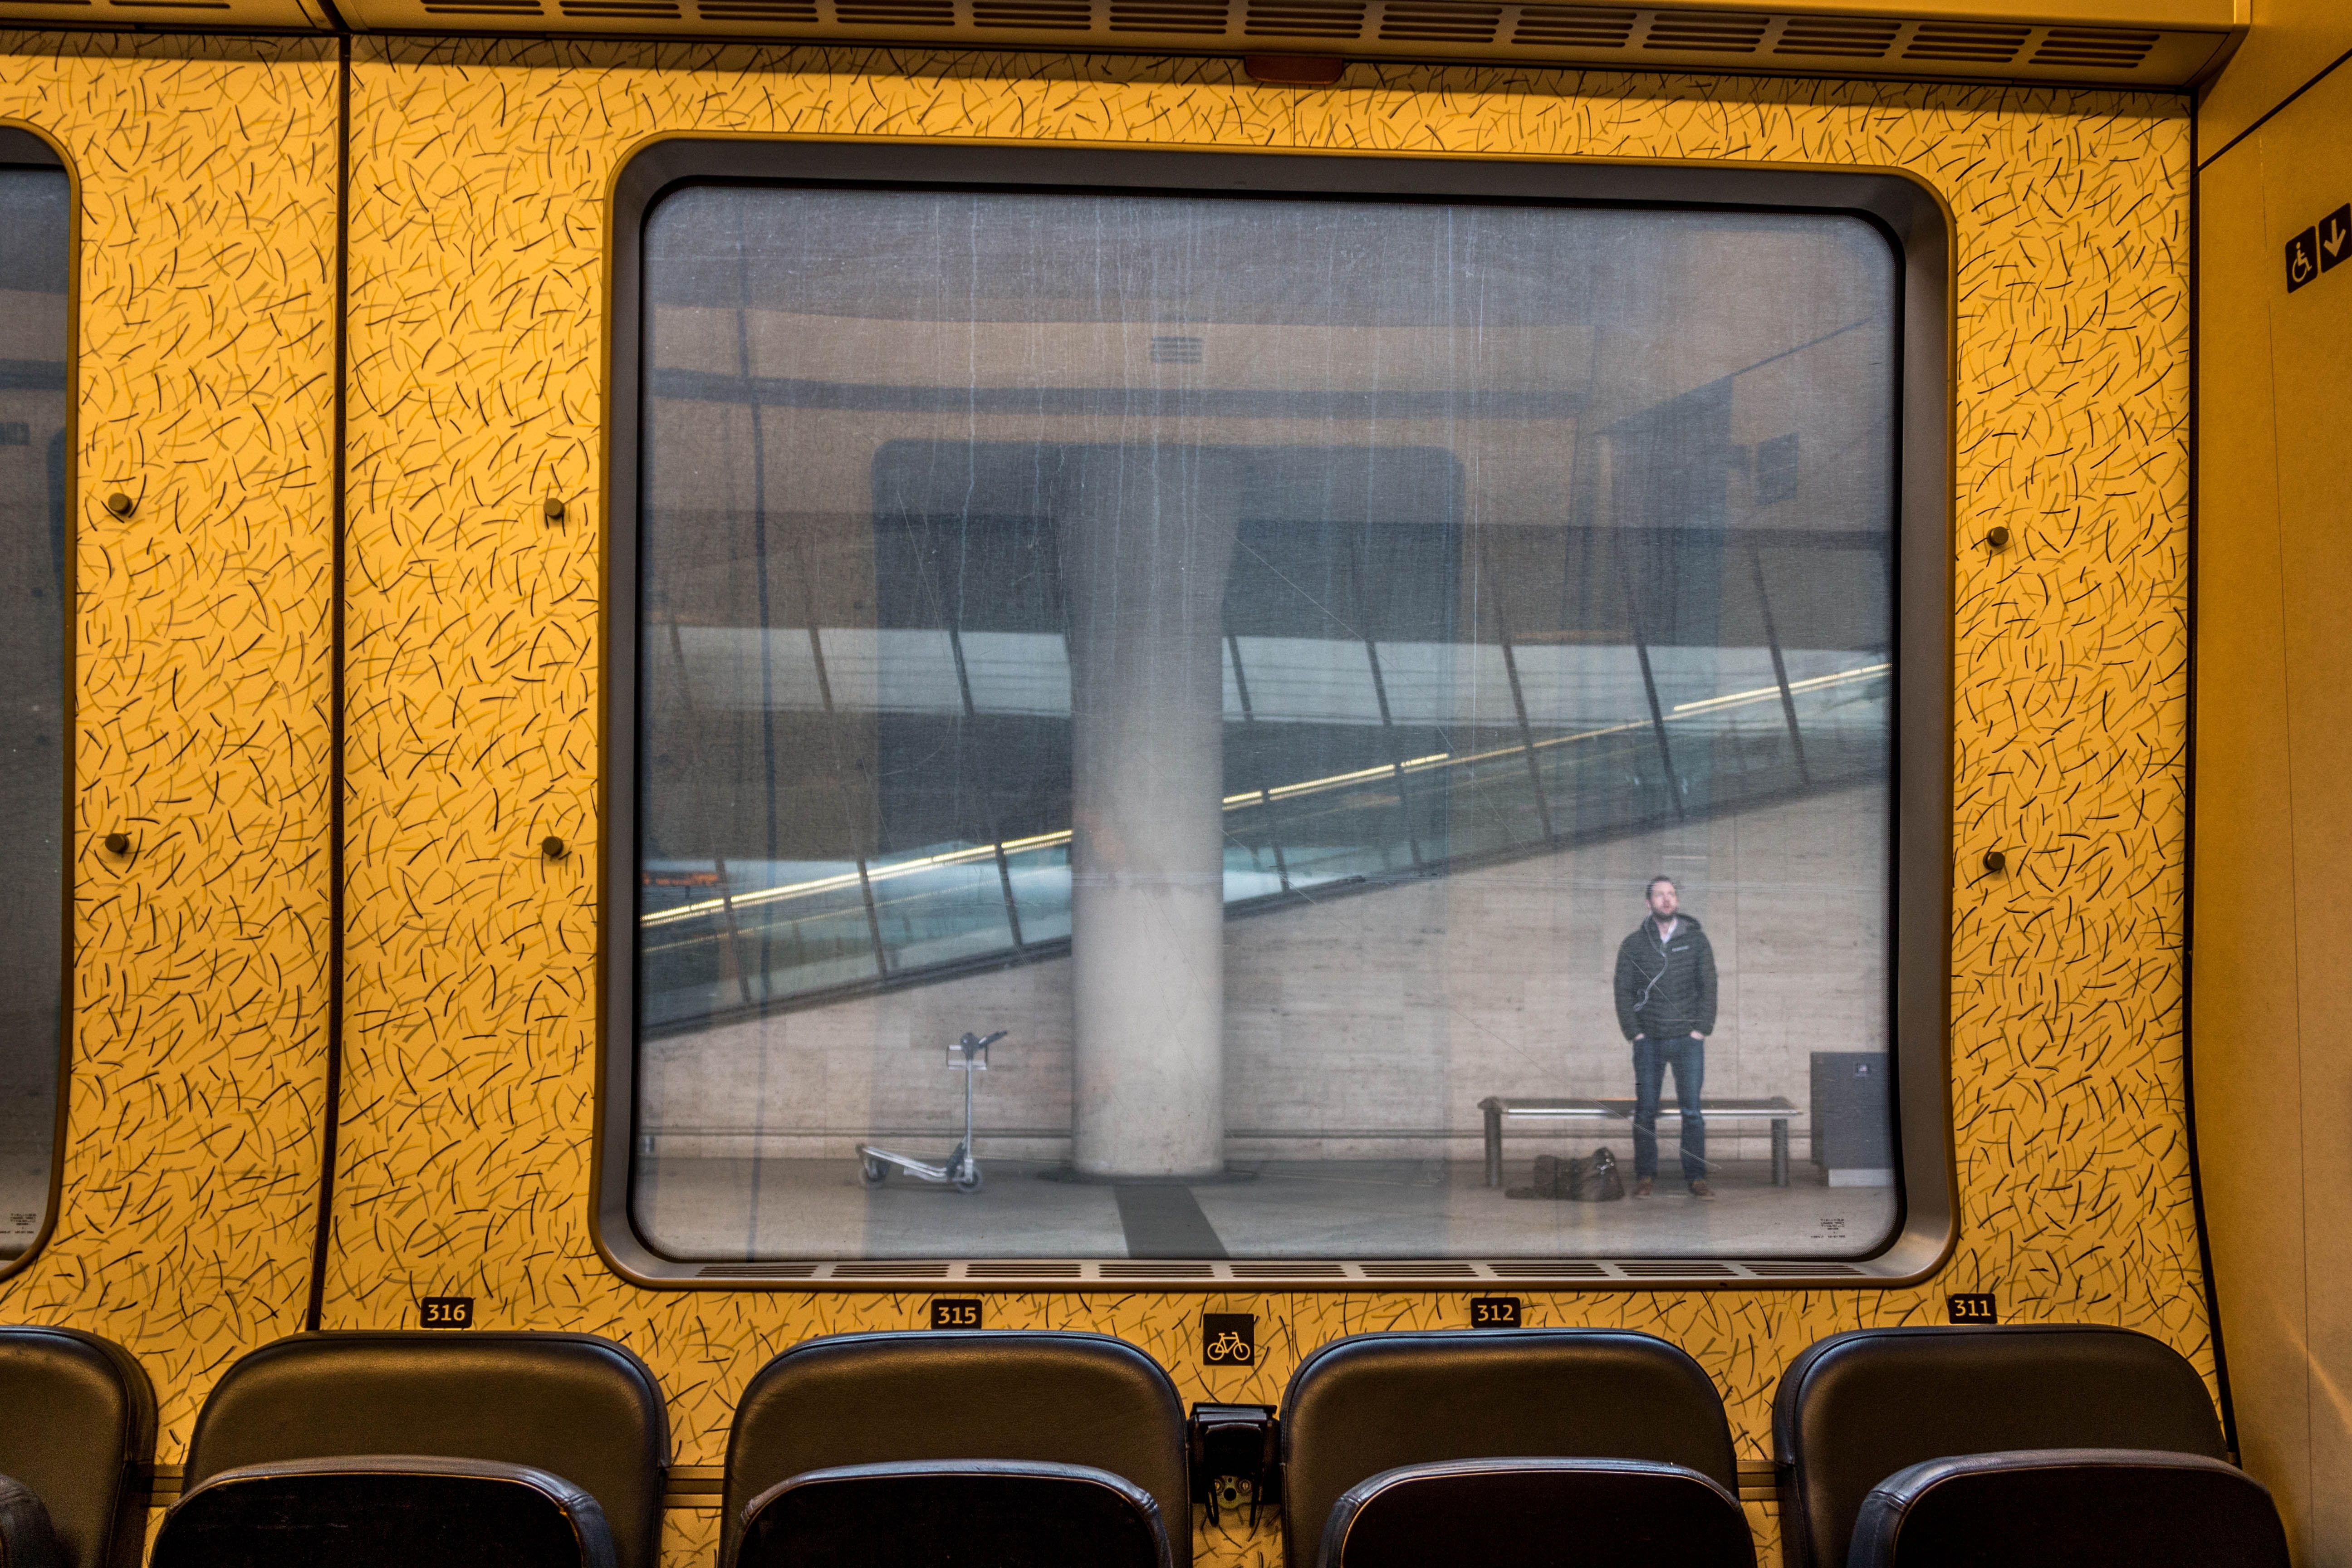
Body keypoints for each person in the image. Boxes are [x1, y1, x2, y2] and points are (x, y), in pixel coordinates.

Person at [1612, 875, 1719, 1199]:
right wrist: (1636, 1033)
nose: (1667, 900)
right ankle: (1645, 1176)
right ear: (1649, 903)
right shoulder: (1633, 944)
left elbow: (1709, 988)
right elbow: (1622, 991)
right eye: (1660, 895)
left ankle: (1697, 1177)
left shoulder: (1697, 941)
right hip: (1650, 1042)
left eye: (1671, 894)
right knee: (1645, 1111)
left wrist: (1701, 1030)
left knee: (1692, 1112)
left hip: (1688, 1041)